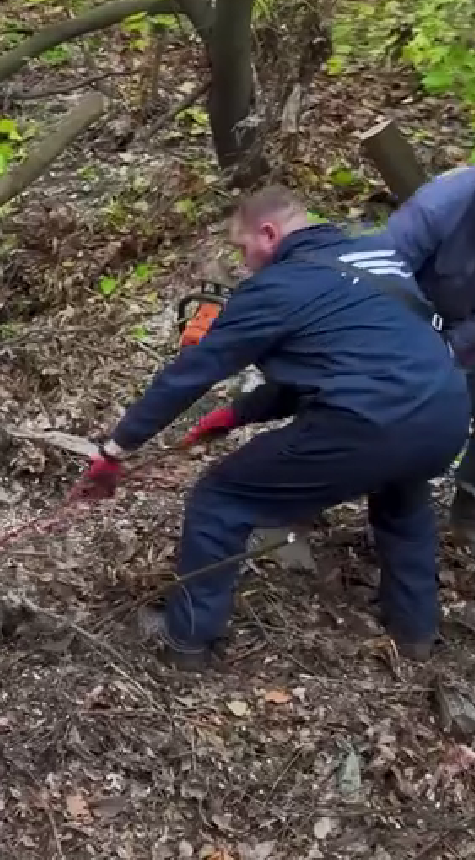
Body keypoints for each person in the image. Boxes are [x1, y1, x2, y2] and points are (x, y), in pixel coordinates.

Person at [76, 186, 467, 669]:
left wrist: (115, 450)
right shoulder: (374, 257)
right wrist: (236, 413)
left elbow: (193, 372)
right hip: (445, 414)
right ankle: (415, 632)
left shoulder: (280, 286)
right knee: (402, 500)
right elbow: (351, 365)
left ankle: (187, 642)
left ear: (268, 233)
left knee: (221, 500)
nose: (244, 264)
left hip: (369, 423)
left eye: (243, 248)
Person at [382, 165, 475, 533]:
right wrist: (413, 343)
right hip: (400, 320)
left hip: (462, 337)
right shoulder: (443, 203)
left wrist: (449, 349)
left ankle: (469, 506)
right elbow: (382, 270)